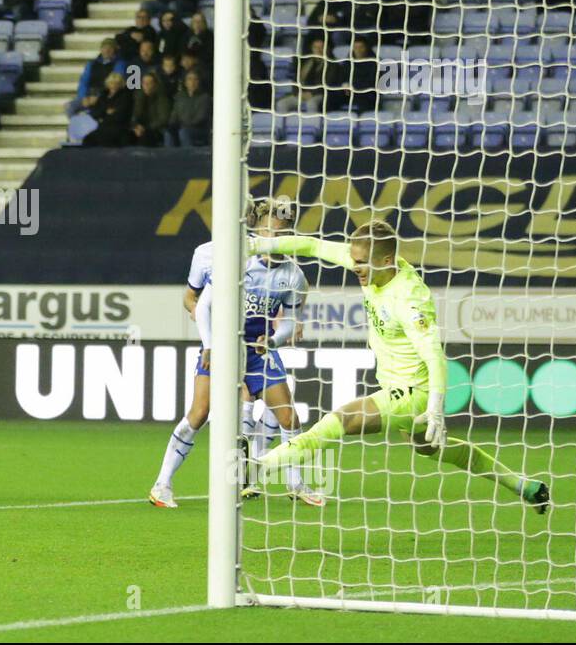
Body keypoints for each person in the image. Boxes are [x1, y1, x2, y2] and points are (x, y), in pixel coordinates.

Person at [248, 220, 551, 515]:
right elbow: (310, 245)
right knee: (432, 450)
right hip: (395, 388)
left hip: (412, 394)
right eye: (354, 260)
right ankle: (523, 485)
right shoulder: (368, 262)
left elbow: (434, 354)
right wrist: (254, 245)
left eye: (363, 263)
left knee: (341, 420)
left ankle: (258, 466)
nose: (356, 268)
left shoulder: (409, 298)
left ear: (387, 260)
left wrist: (435, 408)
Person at [150, 199, 323, 510]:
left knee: (289, 416)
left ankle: (296, 483)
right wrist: (210, 344)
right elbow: (202, 305)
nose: (277, 238)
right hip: (223, 345)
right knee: (199, 414)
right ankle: (162, 484)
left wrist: (272, 339)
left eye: (283, 232)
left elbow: (291, 325)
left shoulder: (294, 276)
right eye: (270, 232)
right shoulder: (236, 263)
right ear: (256, 232)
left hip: (258, 351)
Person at [68, 38, 125, 116]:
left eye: (110, 48)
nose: (107, 50)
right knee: (70, 107)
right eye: (104, 48)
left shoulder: (119, 64)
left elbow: (115, 83)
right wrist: (83, 97)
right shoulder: (92, 64)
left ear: (114, 50)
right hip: (89, 95)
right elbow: (84, 81)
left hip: (106, 97)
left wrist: (99, 98)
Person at [81, 70, 132, 146]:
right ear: (108, 84)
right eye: (112, 83)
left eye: (117, 83)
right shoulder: (103, 96)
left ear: (121, 84)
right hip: (103, 127)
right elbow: (94, 113)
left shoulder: (125, 96)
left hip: (118, 127)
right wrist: (106, 111)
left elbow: (121, 115)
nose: (114, 86)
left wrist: (104, 115)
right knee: (88, 139)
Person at [167, 68, 210, 147]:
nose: (192, 82)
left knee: (184, 132)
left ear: (199, 81)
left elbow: (201, 117)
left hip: (199, 129)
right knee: (168, 132)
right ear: (185, 82)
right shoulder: (179, 97)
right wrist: (172, 125)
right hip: (182, 127)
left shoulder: (204, 97)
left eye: (195, 79)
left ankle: (188, 155)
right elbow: (174, 115)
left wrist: (185, 125)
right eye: (189, 79)